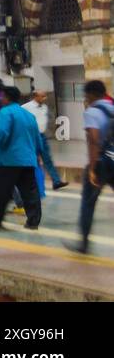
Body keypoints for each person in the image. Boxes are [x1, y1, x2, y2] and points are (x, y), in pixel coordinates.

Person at [0, 85, 42, 230]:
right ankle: (33, 222)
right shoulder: (28, 115)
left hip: (9, 160)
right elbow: (37, 138)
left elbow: (1, 131)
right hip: (28, 160)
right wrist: (38, 155)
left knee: (2, 191)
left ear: (6, 98)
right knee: (30, 192)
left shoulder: (5, 112)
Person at [70, 80, 114, 254]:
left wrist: (92, 168)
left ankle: (84, 244)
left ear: (90, 94)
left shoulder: (92, 112)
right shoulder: (112, 109)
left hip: (102, 163)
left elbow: (94, 140)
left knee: (88, 202)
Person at [22, 90, 68, 191]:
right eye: (42, 96)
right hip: (31, 137)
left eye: (45, 96)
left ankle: (56, 181)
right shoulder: (26, 107)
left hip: (42, 136)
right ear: (35, 96)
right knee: (33, 160)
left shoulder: (45, 107)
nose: (44, 98)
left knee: (47, 159)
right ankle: (32, 182)